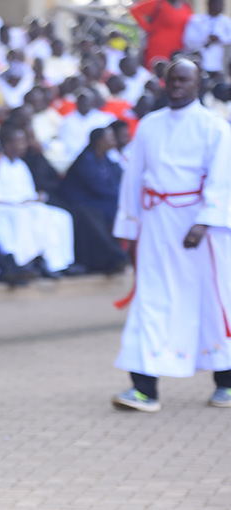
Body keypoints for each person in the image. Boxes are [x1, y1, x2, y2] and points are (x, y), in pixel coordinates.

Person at [111, 60, 231, 411]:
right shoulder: (149, 125)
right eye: (172, 80)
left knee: (212, 300)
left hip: (198, 229)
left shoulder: (215, 127)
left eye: (184, 80)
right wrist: (130, 227)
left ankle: (225, 381)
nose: (177, 85)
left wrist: (205, 220)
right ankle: (145, 388)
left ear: (198, 84)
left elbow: (224, 178)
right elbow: (133, 177)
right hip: (156, 224)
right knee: (151, 298)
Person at [0, 125, 75, 280]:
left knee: (62, 216)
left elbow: (28, 192)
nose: (24, 146)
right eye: (19, 142)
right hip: (2, 208)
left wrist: (34, 197)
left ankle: (58, 263)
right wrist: (22, 201)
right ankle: (23, 263)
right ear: (7, 144)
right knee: (25, 216)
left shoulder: (21, 164)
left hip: (24, 205)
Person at [57, 127, 128, 274]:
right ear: (100, 141)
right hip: (79, 202)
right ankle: (115, 257)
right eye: (110, 138)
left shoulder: (106, 158)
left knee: (122, 208)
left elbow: (120, 177)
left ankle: (121, 255)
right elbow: (100, 188)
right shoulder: (86, 159)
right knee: (102, 212)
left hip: (99, 199)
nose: (113, 141)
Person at [131, 0, 193, 68]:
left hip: (179, 47)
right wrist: (148, 28)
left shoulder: (186, 6)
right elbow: (135, 11)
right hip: (159, 46)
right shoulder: (159, 3)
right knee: (158, 70)